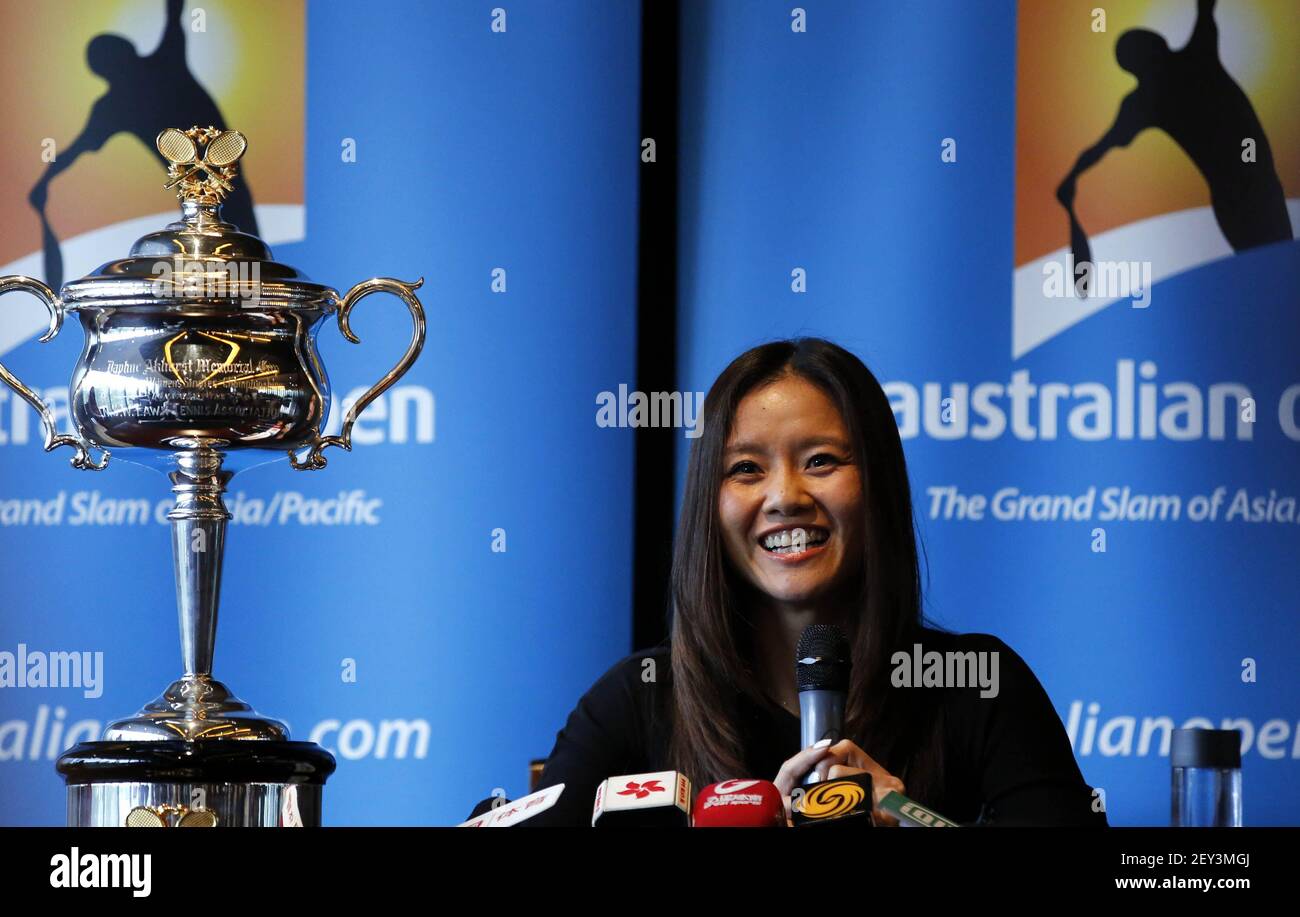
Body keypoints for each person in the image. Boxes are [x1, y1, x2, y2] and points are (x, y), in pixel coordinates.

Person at [526, 339, 1106, 826]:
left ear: (877, 485)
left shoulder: (980, 685)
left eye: (822, 461)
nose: (785, 498)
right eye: (746, 469)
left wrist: (909, 817)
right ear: (709, 503)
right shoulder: (640, 697)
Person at [27, 0, 258, 289]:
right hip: (210, 192)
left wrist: (43, 183)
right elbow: (74, 151)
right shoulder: (127, 93)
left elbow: (72, 152)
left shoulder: (119, 99)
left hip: (222, 188)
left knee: (242, 264)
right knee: (239, 265)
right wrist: (44, 182)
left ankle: (241, 310)